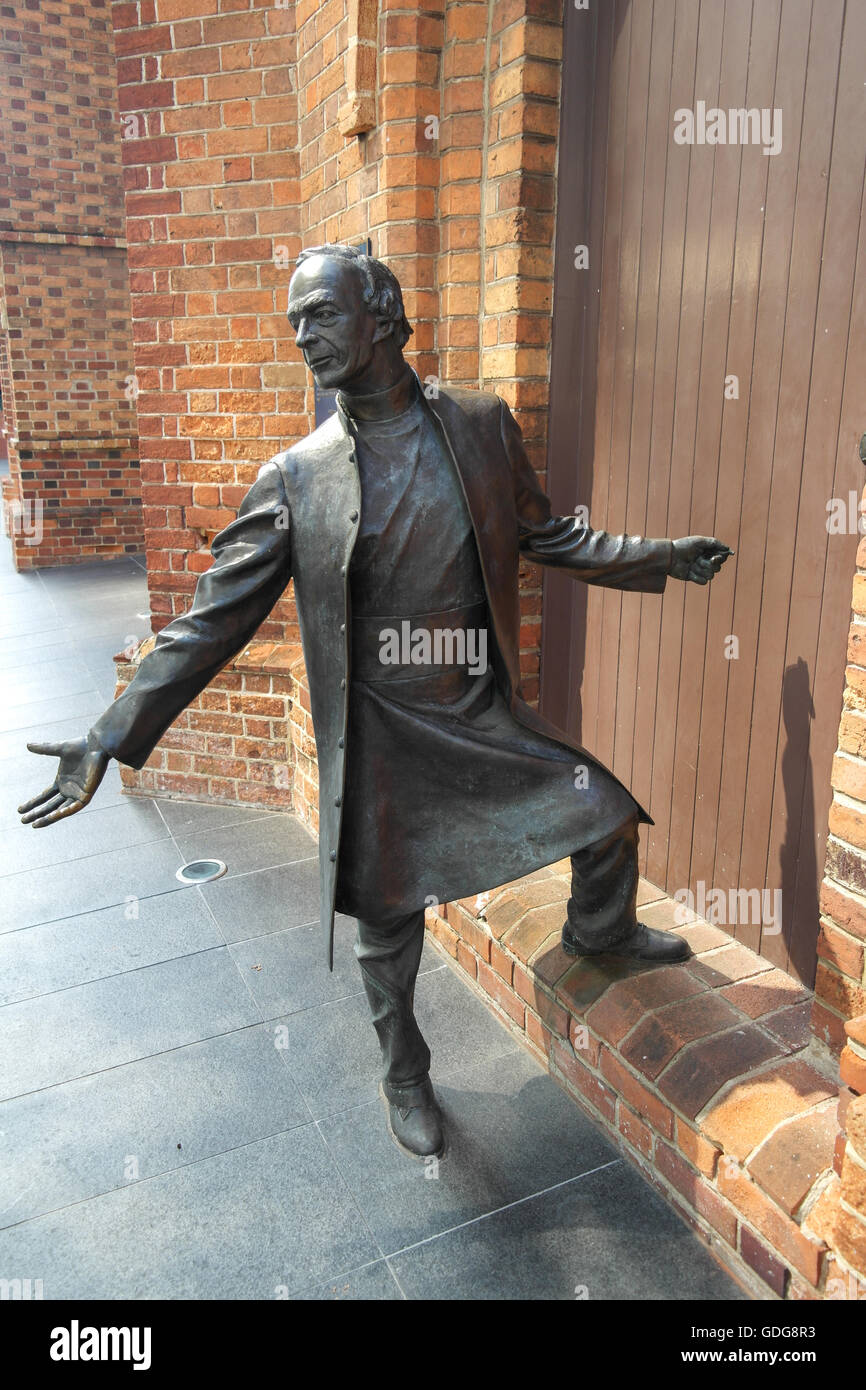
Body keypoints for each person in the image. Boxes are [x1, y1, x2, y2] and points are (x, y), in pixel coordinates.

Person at [18, 245, 732, 1160]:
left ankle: (601, 934)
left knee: (606, 815)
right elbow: (209, 623)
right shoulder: (297, 478)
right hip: (382, 727)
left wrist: (658, 556)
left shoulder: (479, 425)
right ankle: (404, 1069)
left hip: (474, 704)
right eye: (294, 324)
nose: (304, 337)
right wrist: (109, 735)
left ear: (384, 314)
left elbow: (546, 534)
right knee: (387, 920)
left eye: (319, 313)